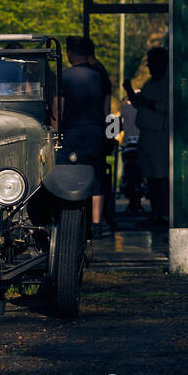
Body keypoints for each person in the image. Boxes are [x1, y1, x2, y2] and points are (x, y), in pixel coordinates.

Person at [57, 35, 112, 239]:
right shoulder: (101, 76)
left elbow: (58, 109)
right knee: (96, 176)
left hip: (70, 133)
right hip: (94, 133)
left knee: (67, 175)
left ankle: (70, 221)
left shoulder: (63, 76)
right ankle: (96, 224)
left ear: (70, 53)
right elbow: (106, 111)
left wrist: (57, 132)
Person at [124, 47, 169, 229]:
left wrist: (147, 102)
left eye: (151, 62)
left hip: (160, 133)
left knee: (160, 176)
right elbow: (137, 102)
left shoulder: (167, 83)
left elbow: (166, 106)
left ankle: (164, 214)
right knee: (150, 176)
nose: (149, 66)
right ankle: (155, 213)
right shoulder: (151, 83)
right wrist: (129, 90)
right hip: (147, 133)